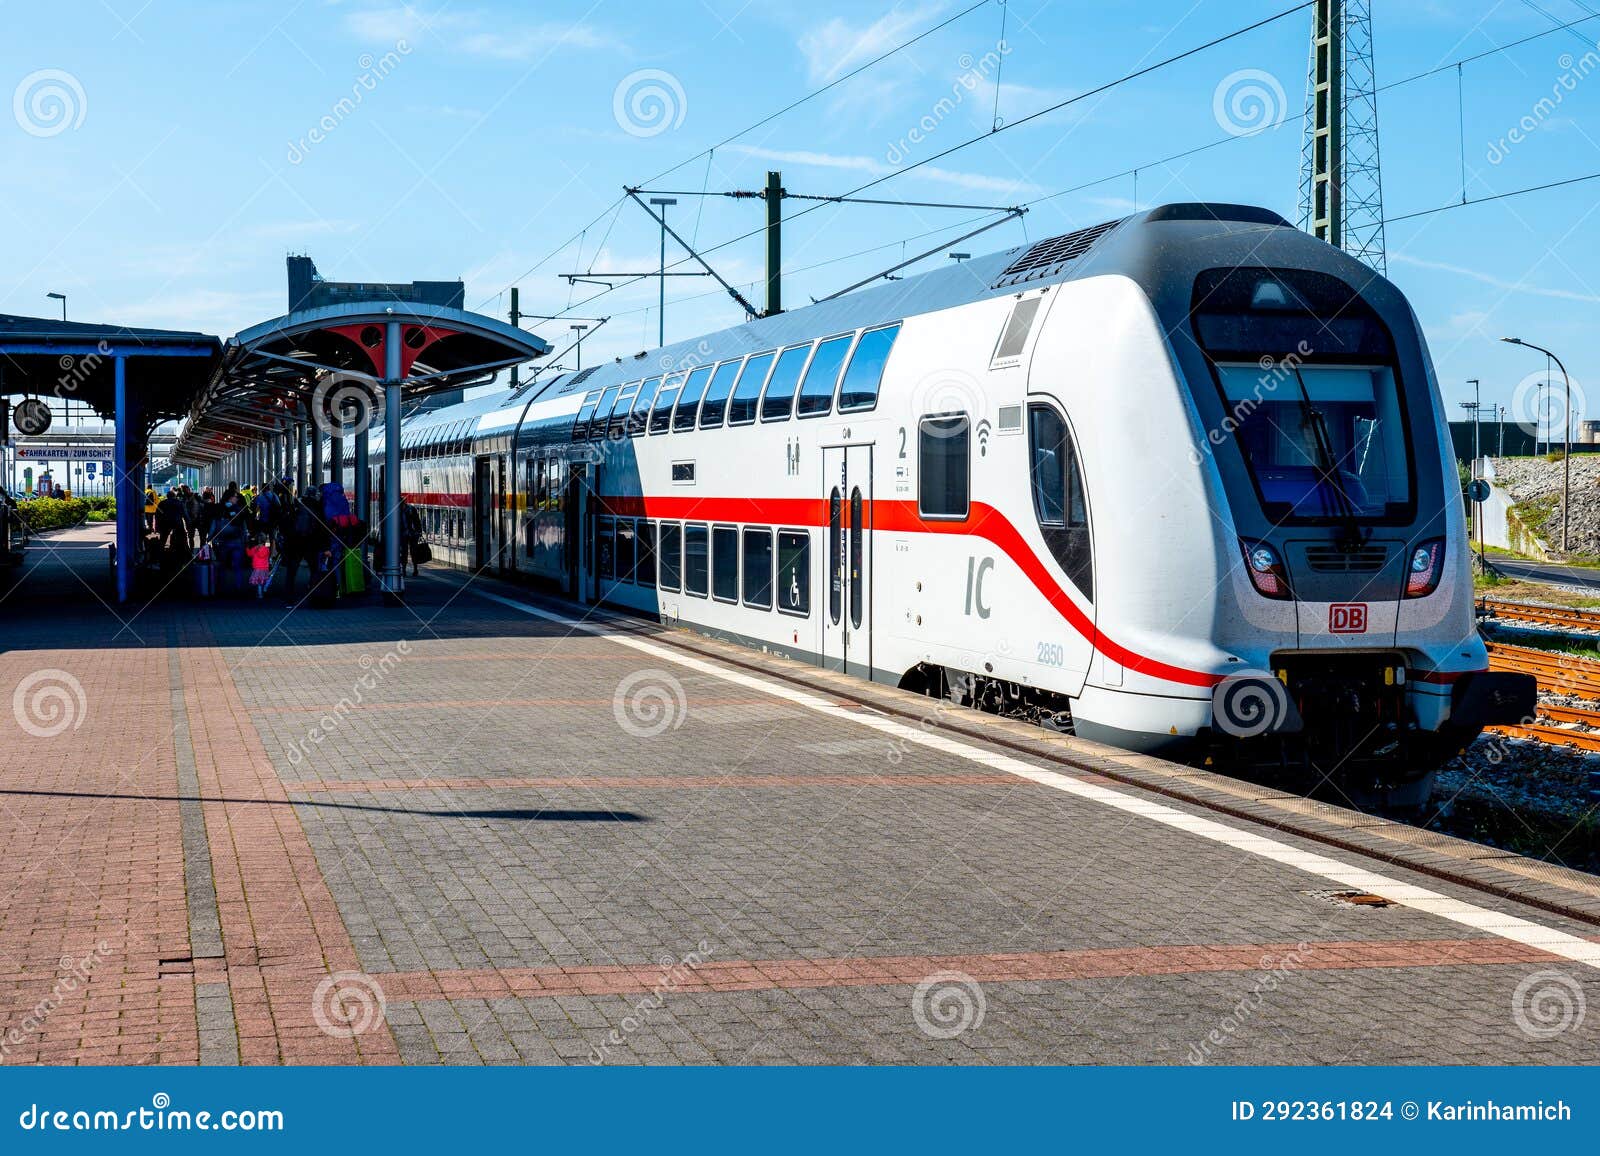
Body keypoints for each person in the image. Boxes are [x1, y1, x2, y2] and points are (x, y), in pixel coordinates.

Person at [278, 486, 325, 604]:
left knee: (292, 570)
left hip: (295, 542)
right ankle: (314, 593)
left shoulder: (297, 505)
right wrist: (324, 546)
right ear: (315, 495)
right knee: (314, 569)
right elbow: (321, 529)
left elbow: (287, 523)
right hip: (310, 543)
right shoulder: (317, 507)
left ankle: (289, 595)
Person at [154, 487, 189, 556]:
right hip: (177, 523)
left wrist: (157, 526)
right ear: (174, 496)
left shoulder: (162, 503)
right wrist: (188, 523)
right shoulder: (179, 503)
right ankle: (181, 555)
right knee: (182, 540)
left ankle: (160, 556)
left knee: (163, 540)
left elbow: (157, 515)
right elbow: (185, 514)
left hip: (165, 524)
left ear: (167, 496)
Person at [400, 497, 423, 576]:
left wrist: (419, 532)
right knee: (404, 552)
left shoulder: (410, 509)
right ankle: (404, 570)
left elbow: (417, 521)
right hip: (404, 534)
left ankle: (414, 569)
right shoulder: (402, 510)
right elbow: (417, 521)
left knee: (412, 552)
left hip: (412, 534)